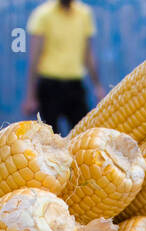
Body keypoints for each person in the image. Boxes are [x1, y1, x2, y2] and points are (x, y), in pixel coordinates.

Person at [21, 0, 105, 134]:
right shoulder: (43, 15)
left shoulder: (84, 14)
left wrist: (97, 85)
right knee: (50, 139)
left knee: (83, 135)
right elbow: (34, 57)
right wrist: (30, 96)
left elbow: (88, 54)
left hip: (75, 86)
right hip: (49, 87)